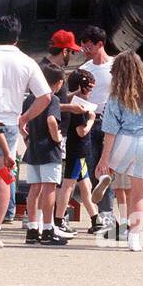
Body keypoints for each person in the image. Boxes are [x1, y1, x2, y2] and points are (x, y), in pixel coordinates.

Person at [96, 51, 143, 252]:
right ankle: (134, 238)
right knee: (139, 196)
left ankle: (106, 174)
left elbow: (110, 131)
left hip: (125, 140)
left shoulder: (117, 96)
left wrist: (104, 158)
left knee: (113, 171)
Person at [0, 16, 52, 226]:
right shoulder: (26, 61)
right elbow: (45, 96)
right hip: (10, 123)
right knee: (2, 177)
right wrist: (25, 117)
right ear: (17, 38)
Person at [24, 65, 71, 245]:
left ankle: (32, 228)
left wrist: (27, 138)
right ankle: (48, 228)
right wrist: (57, 137)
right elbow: (52, 120)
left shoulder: (30, 100)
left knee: (34, 189)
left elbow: (24, 123)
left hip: (33, 147)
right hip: (49, 149)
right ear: (58, 83)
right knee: (49, 188)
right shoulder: (53, 99)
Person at [54, 68, 102, 234]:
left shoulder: (72, 101)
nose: (90, 92)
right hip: (77, 150)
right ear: (82, 88)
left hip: (80, 151)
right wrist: (91, 120)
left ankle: (96, 218)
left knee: (86, 185)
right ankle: (58, 219)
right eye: (89, 88)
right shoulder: (81, 106)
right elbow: (81, 131)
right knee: (68, 185)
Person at [81, 26, 116, 232]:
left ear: (100, 44)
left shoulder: (116, 66)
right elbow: (79, 98)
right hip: (90, 121)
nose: (84, 47)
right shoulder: (85, 69)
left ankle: (109, 216)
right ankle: (104, 217)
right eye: (83, 43)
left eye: (88, 44)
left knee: (108, 170)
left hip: (110, 123)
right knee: (96, 170)